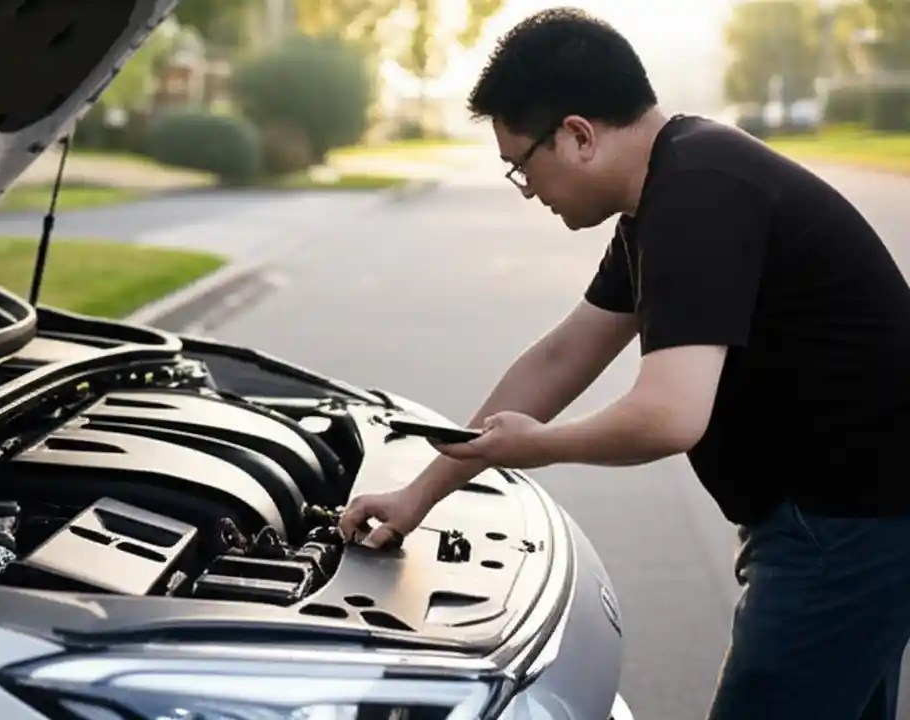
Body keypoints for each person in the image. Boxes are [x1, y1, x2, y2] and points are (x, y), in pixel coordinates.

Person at [338, 7, 910, 720]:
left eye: (522, 168)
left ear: (577, 135)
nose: (531, 193)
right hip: (851, 517)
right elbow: (561, 356)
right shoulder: (670, 191)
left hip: (847, 528)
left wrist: (537, 446)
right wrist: (419, 496)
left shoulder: (699, 195)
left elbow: (669, 415)